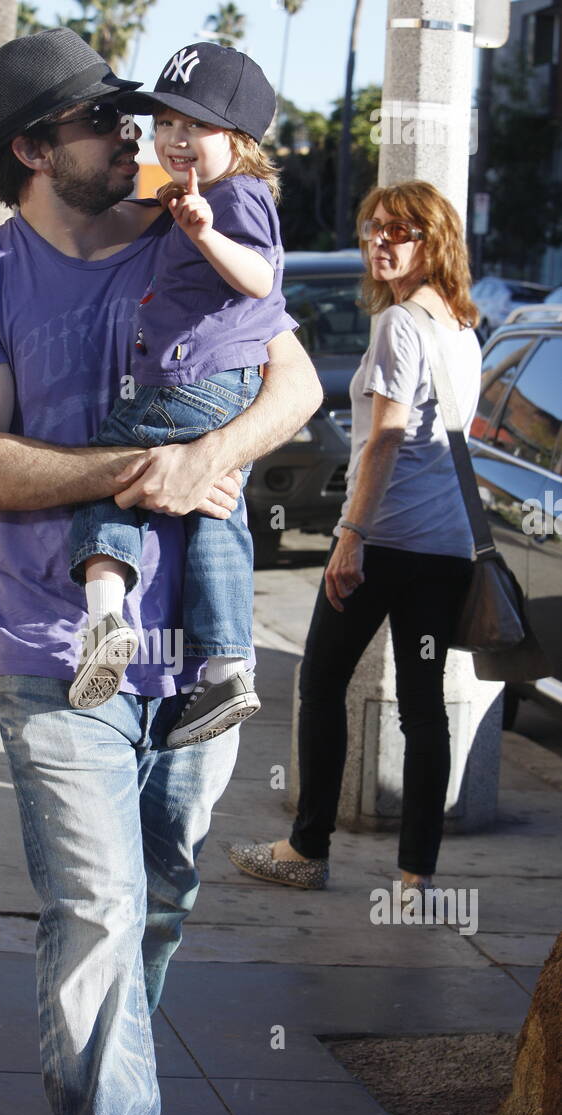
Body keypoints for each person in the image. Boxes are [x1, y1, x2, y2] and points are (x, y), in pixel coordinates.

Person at [0, 27, 321, 1115]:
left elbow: (295, 388)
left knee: (165, 898)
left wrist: (213, 454)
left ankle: (117, 1108)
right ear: (35, 150)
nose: (133, 137)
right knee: (94, 904)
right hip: (52, 643)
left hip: (196, 652)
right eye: (101, 122)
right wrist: (145, 468)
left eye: (134, 118)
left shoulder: (188, 240)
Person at [227, 180, 481, 896]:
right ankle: (416, 877)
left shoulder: (403, 325)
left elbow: (384, 443)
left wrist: (349, 536)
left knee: (322, 683)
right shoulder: (463, 328)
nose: (381, 242)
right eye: (374, 229)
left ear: (433, 243)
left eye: (399, 232)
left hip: (387, 543)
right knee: (425, 706)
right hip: (446, 549)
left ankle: (307, 848)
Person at [66, 45, 296, 748]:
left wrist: (202, 229)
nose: (174, 138)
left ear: (242, 141)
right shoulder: (190, 198)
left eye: (194, 126)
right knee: (211, 515)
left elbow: (262, 278)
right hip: (222, 385)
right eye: (165, 122)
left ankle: (107, 617)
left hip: (196, 381)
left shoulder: (235, 198)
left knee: (110, 472)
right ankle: (226, 666)